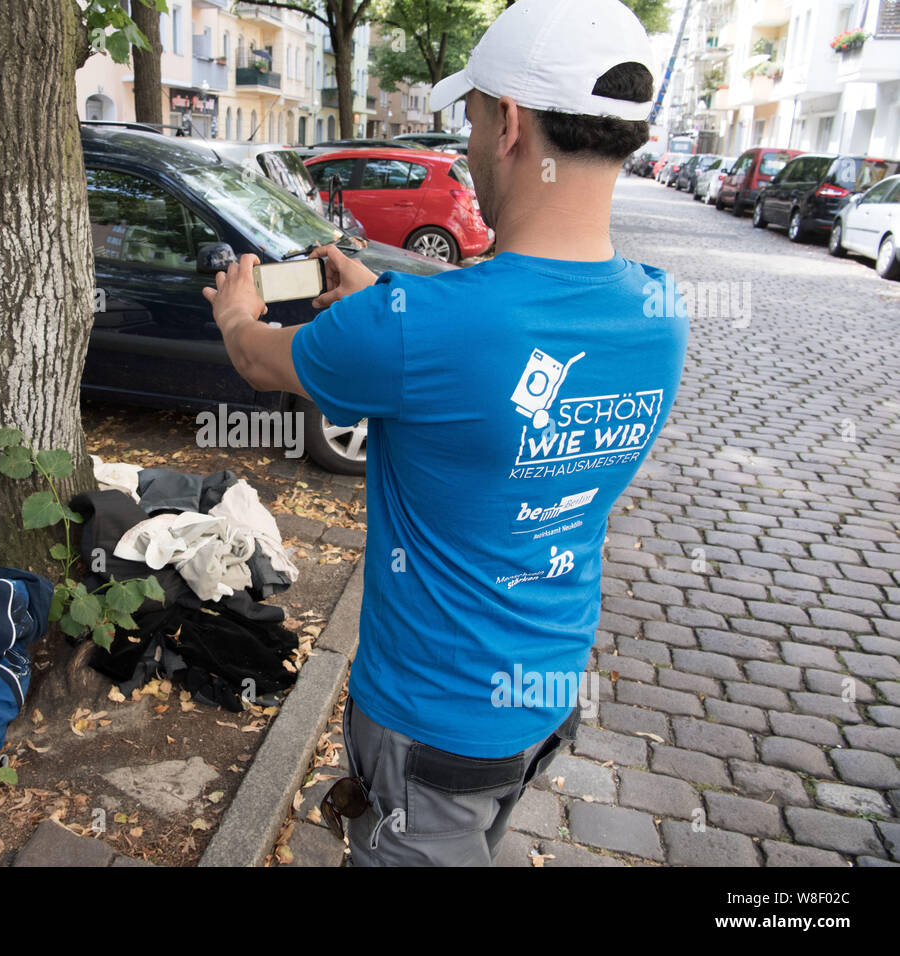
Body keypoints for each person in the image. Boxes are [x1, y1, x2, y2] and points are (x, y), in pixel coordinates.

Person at [201, 0, 689, 866]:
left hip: (433, 721)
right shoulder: (660, 310)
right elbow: (476, 359)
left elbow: (260, 362)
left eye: (467, 119)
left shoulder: (416, 323)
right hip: (544, 690)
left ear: (508, 124)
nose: (463, 147)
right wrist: (377, 311)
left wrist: (240, 309)